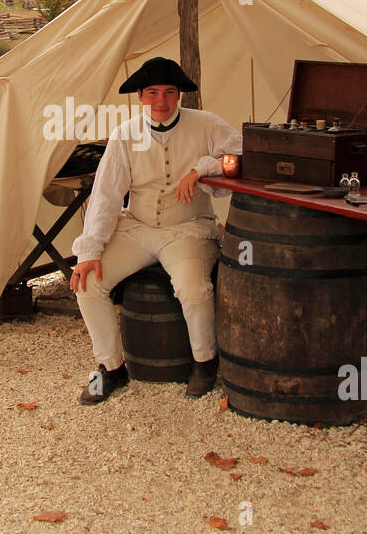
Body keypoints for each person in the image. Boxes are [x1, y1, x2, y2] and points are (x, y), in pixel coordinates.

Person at [70, 57, 242, 403]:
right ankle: (111, 368)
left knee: (193, 289)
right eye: (152, 93)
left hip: (187, 229)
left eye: (168, 92)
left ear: (179, 95)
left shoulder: (206, 124)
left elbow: (242, 154)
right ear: (140, 96)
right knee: (87, 282)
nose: (161, 102)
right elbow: (106, 195)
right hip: (138, 227)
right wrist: (89, 252)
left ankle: (204, 363)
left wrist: (203, 168)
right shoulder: (124, 135)